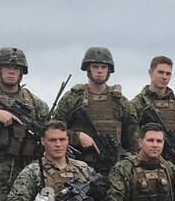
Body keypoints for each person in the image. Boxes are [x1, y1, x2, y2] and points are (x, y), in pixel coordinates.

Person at [0, 46, 52, 201]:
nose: (11, 71)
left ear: (21, 72)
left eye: (16, 68)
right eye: (7, 67)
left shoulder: (36, 104)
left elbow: (51, 136)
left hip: (25, 173)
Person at [51, 46, 138, 175]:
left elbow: (133, 141)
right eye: (95, 67)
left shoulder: (121, 102)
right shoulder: (73, 98)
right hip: (78, 168)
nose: (99, 71)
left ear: (109, 70)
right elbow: (53, 132)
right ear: (88, 69)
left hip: (115, 168)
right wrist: (77, 136)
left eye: (103, 67)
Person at [125, 55, 175, 180]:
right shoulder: (137, 104)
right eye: (160, 72)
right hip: (148, 168)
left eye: (168, 74)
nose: (164, 77)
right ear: (150, 72)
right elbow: (129, 138)